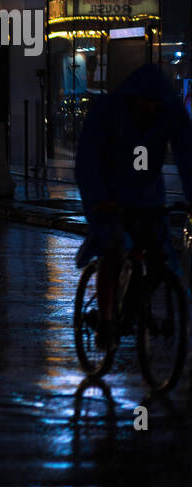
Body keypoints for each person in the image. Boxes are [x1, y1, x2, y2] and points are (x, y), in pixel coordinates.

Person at [76, 63, 192, 350]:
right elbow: (88, 160)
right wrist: (99, 198)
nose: (148, 108)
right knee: (113, 247)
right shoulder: (107, 111)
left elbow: (188, 156)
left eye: (153, 103)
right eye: (144, 102)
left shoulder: (169, 112)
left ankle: (135, 303)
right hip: (107, 191)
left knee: (157, 251)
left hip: (145, 193)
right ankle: (105, 321)